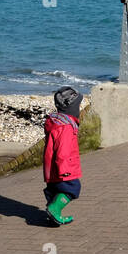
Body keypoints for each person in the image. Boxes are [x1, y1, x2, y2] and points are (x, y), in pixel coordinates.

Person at [42, 87, 83, 226]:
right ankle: (54, 210)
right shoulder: (66, 126)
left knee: (54, 190)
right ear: (71, 107)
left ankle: (53, 217)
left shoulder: (56, 122)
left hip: (51, 166)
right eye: (78, 105)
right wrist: (64, 169)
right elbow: (63, 150)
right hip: (61, 167)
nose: (79, 108)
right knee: (72, 188)